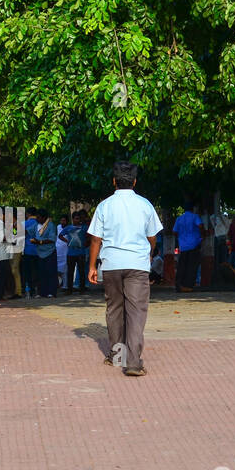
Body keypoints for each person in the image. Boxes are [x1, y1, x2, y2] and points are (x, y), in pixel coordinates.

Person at [87, 161, 163, 377]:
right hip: (137, 265)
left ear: (114, 181)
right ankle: (133, 363)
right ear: (135, 182)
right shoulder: (145, 205)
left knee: (115, 309)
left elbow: (95, 240)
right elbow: (152, 237)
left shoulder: (104, 206)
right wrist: (147, 252)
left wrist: (92, 266)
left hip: (111, 264)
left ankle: (117, 355)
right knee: (136, 312)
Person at [173, 201, 206, 293]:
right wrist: (202, 235)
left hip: (183, 245)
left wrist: (181, 237)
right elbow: (200, 225)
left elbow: (174, 231)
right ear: (193, 209)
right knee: (192, 266)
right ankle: (189, 285)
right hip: (194, 244)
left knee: (182, 265)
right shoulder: (195, 217)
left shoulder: (179, 218)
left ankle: (179, 284)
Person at [34, 209, 57, 297]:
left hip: (49, 252)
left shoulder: (51, 225)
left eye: (38, 217)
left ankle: (51, 292)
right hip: (40, 253)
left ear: (44, 218)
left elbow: (52, 239)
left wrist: (40, 242)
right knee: (41, 273)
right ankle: (41, 292)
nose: (37, 219)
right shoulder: (36, 225)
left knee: (50, 273)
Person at [21, 208, 39, 298]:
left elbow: (16, 233)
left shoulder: (24, 223)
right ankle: (36, 290)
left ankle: (29, 290)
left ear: (28, 214)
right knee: (36, 271)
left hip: (27, 250)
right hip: (38, 251)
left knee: (27, 272)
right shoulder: (39, 223)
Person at [8, 209, 24, 299]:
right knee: (13, 270)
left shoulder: (17, 224)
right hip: (12, 248)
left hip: (17, 248)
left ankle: (18, 292)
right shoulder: (12, 225)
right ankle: (16, 291)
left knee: (15, 270)